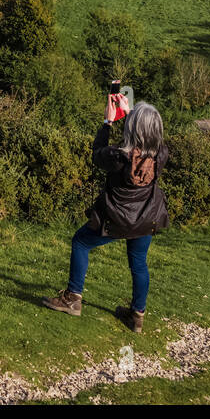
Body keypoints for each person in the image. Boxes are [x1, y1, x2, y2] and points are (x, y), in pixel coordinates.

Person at [42, 92, 170, 333]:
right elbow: (147, 137)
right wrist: (131, 112)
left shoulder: (117, 157)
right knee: (139, 263)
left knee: (80, 242)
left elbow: (96, 152)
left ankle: (73, 299)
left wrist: (108, 121)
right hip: (146, 219)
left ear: (132, 128)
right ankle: (137, 315)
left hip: (117, 219)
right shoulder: (161, 155)